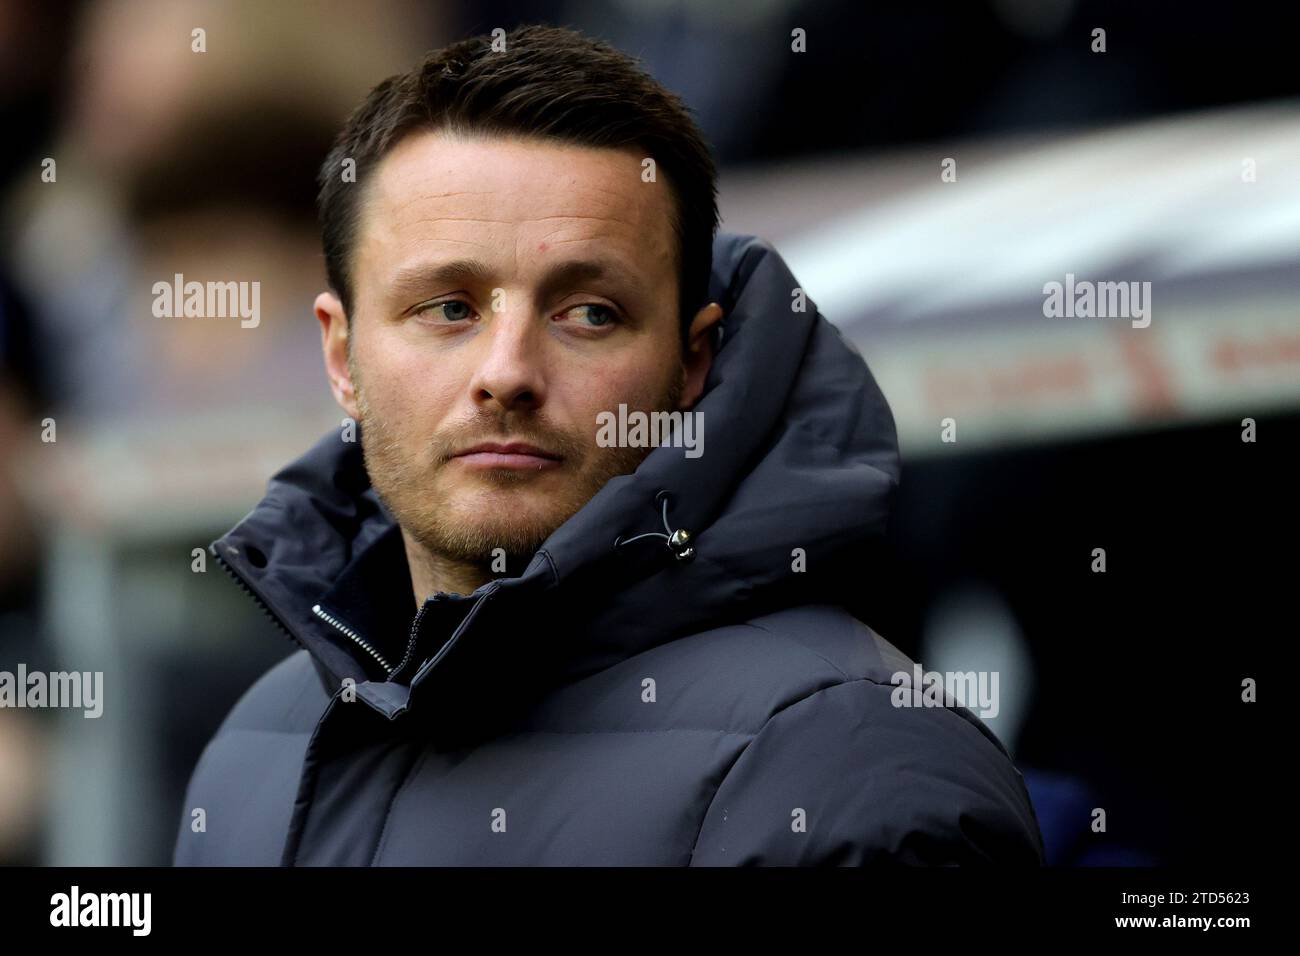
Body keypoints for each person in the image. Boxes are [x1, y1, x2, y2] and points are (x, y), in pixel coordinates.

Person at [174, 24, 1043, 866]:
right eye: (449, 308)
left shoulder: (852, 765)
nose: (507, 371)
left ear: (692, 361)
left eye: (588, 313)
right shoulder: (259, 745)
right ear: (342, 355)